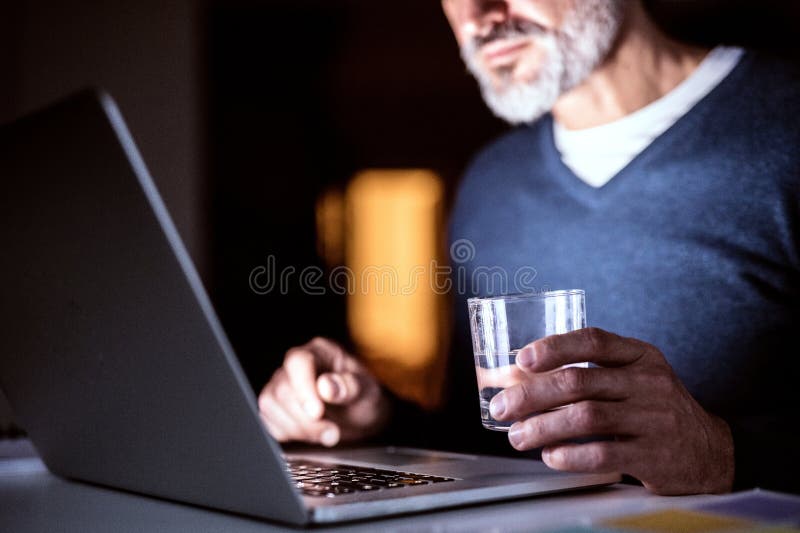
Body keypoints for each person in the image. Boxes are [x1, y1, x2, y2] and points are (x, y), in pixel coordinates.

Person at [257, 0, 800, 495]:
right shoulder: (490, 181)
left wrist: (724, 453)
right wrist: (376, 420)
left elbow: (733, 456)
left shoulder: (785, 128)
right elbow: (487, 438)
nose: (478, 15)